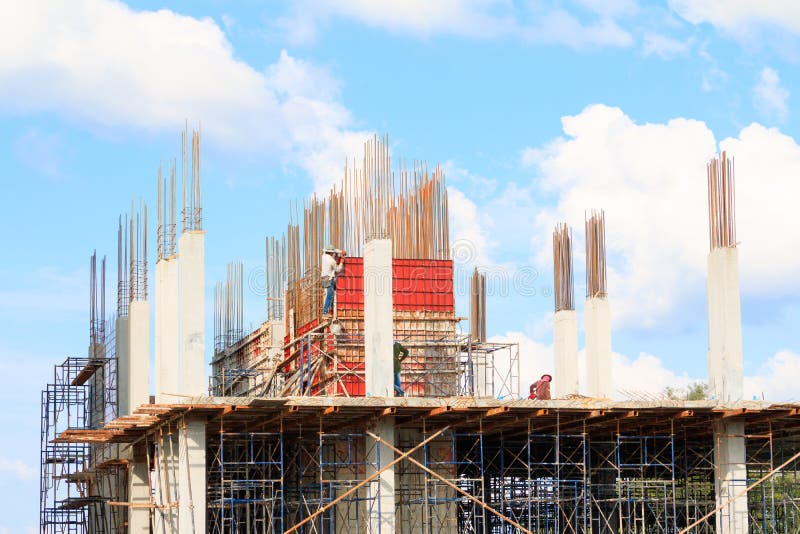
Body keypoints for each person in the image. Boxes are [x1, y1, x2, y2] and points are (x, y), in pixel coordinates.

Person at [321, 245, 345, 315]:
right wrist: (341, 262)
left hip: (324, 278)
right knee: (329, 295)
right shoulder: (332, 261)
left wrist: (341, 252)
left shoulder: (323, 256)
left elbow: (334, 251)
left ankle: (331, 310)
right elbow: (338, 269)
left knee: (331, 294)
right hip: (329, 279)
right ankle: (325, 312)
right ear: (332, 253)